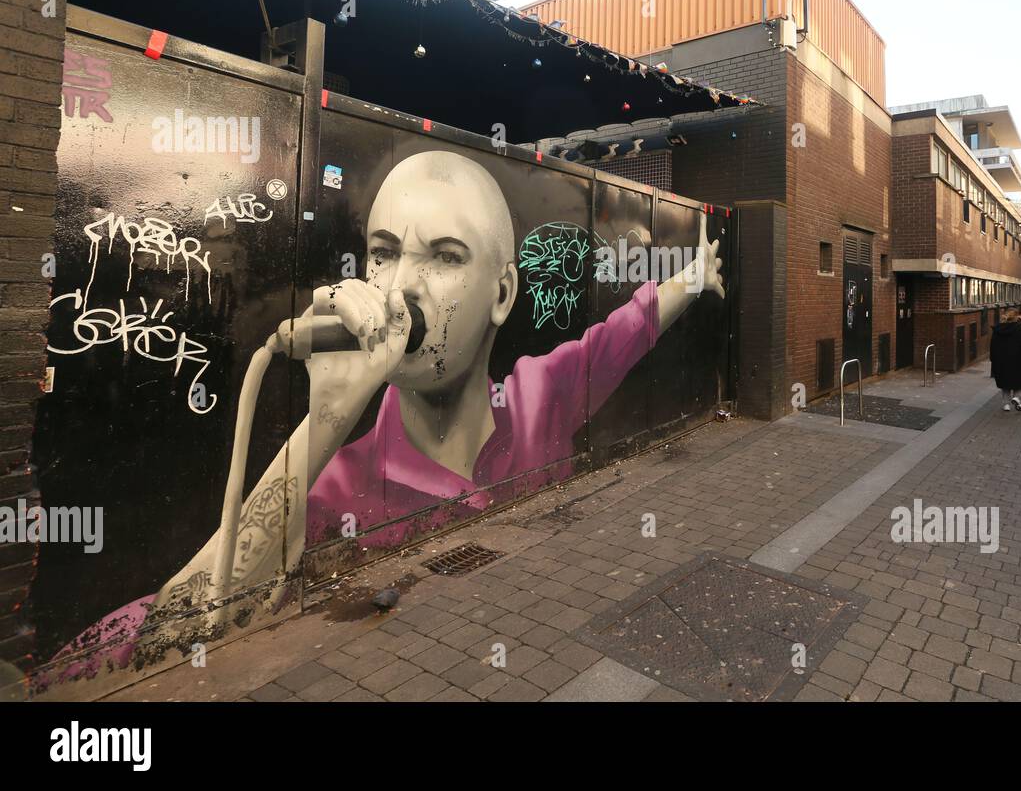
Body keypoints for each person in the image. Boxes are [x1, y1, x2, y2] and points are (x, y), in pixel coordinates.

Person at [57, 150, 726, 675]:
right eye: (384, 253)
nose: (400, 284)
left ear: (501, 293)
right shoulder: (331, 489)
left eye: (444, 256)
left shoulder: (537, 398)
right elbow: (149, 643)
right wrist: (325, 420)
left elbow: (625, 331)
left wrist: (696, 276)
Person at [989, 309, 1021, 412]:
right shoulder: (1020, 329)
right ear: (1017, 318)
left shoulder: (997, 330)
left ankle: (1006, 404)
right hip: (1019, 359)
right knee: (1020, 380)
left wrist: (993, 359)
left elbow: (993, 346)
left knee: (1005, 382)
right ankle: (1017, 397)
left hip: (1001, 361)